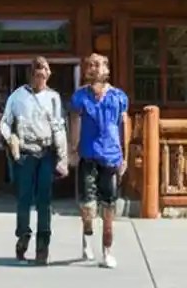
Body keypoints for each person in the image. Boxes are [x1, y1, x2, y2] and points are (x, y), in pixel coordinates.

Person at [0, 56, 69, 265]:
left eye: (44, 73)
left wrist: (63, 157)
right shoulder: (18, 96)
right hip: (25, 152)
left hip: (46, 152)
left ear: (48, 74)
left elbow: (59, 128)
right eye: (37, 73)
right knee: (24, 197)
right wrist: (10, 137)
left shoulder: (54, 98)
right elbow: (5, 122)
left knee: (44, 200)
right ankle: (23, 235)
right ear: (31, 75)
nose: (40, 77)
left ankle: (43, 246)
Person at [69, 53, 128, 268]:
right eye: (90, 65)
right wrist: (72, 149)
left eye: (98, 65)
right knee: (88, 206)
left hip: (111, 157)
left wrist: (125, 156)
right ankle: (87, 236)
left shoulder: (118, 96)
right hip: (88, 155)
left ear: (106, 69)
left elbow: (124, 125)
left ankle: (107, 251)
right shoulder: (80, 96)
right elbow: (75, 122)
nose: (94, 68)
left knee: (109, 207)